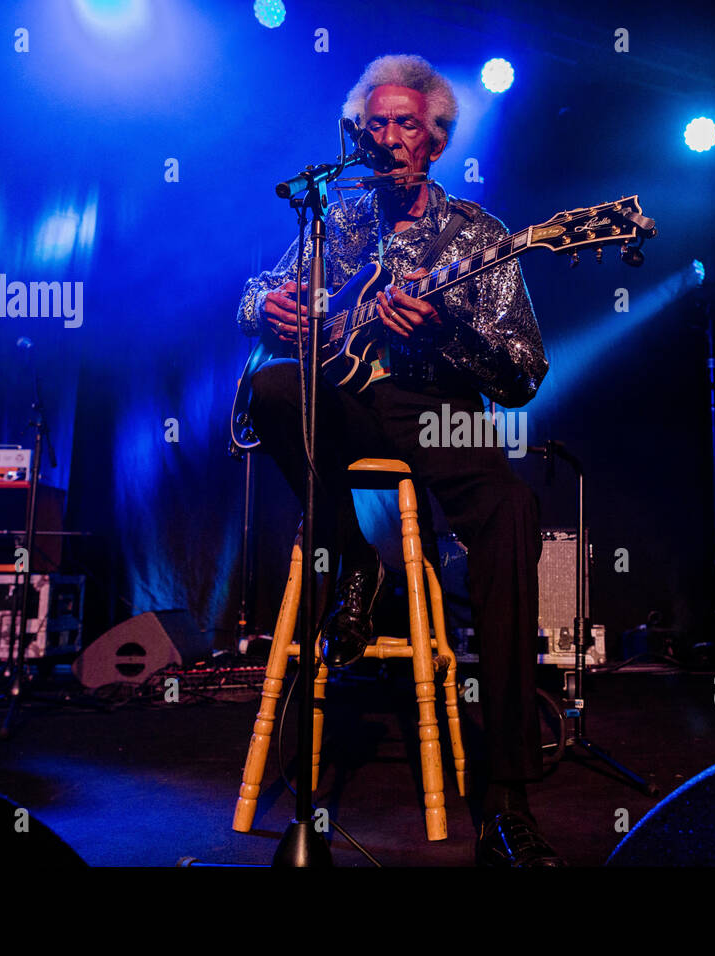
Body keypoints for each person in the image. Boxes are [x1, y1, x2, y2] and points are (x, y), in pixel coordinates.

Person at [237, 54, 562, 866]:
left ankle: (507, 799)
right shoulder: (336, 219)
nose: (388, 137)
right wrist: (267, 309)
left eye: (405, 124)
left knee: (511, 512)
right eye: (375, 124)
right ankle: (351, 551)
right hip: (352, 409)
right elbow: (255, 293)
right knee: (271, 390)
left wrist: (445, 331)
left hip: (441, 411)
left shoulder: (479, 235)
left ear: (436, 140)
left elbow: (524, 372)